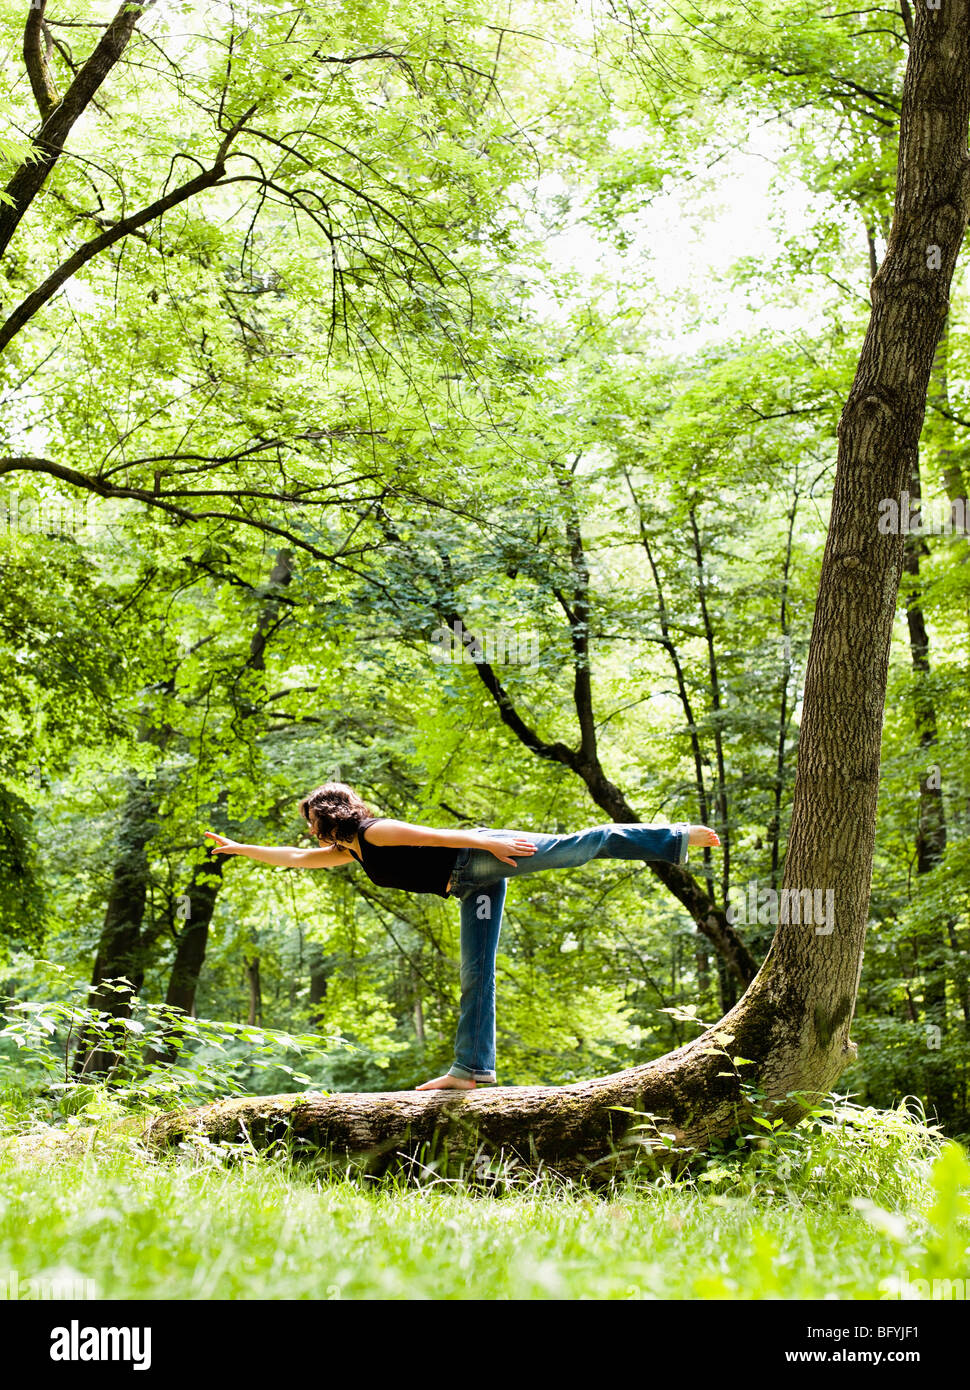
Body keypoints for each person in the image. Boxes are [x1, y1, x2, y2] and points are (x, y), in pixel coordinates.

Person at [204, 782, 721, 1090]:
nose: (310, 830)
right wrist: (239, 847)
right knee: (477, 972)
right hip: (473, 882)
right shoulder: (347, 852)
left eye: (313, 819)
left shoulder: (373, 833)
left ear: (331, 814)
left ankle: (674, 836)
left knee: (582, 845)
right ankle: (471, 1068)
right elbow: (293, 858)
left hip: (482, 854)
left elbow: (434, 836)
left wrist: (488, 843)